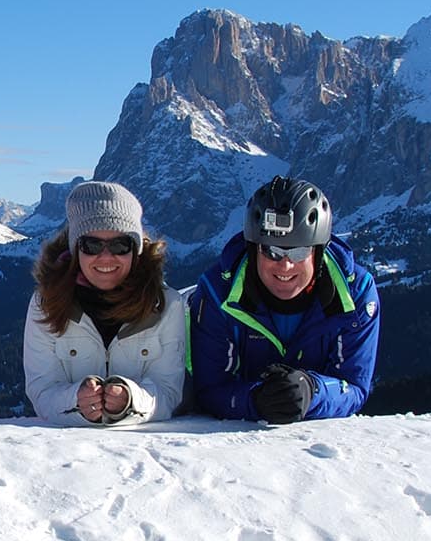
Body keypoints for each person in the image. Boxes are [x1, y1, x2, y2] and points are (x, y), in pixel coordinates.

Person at [187, 176, 379, 423]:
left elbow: (354, 386)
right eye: (272, 251)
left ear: (317, 252)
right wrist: (255, 400)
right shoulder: (217, 292)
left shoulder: (355, 294)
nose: (285, 265)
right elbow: (209, 389)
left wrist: (312, 391)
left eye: (299, 252)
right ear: (254, 248)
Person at [23, 181, 186, 425]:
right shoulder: (46, 303)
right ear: (76, 249)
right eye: (92, 245)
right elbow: (42, 391)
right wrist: (76, 401)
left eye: (120, 245)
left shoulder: (166, 306)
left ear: (136, 249)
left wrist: (130, 400)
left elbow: (168, 392)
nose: (106, 257)